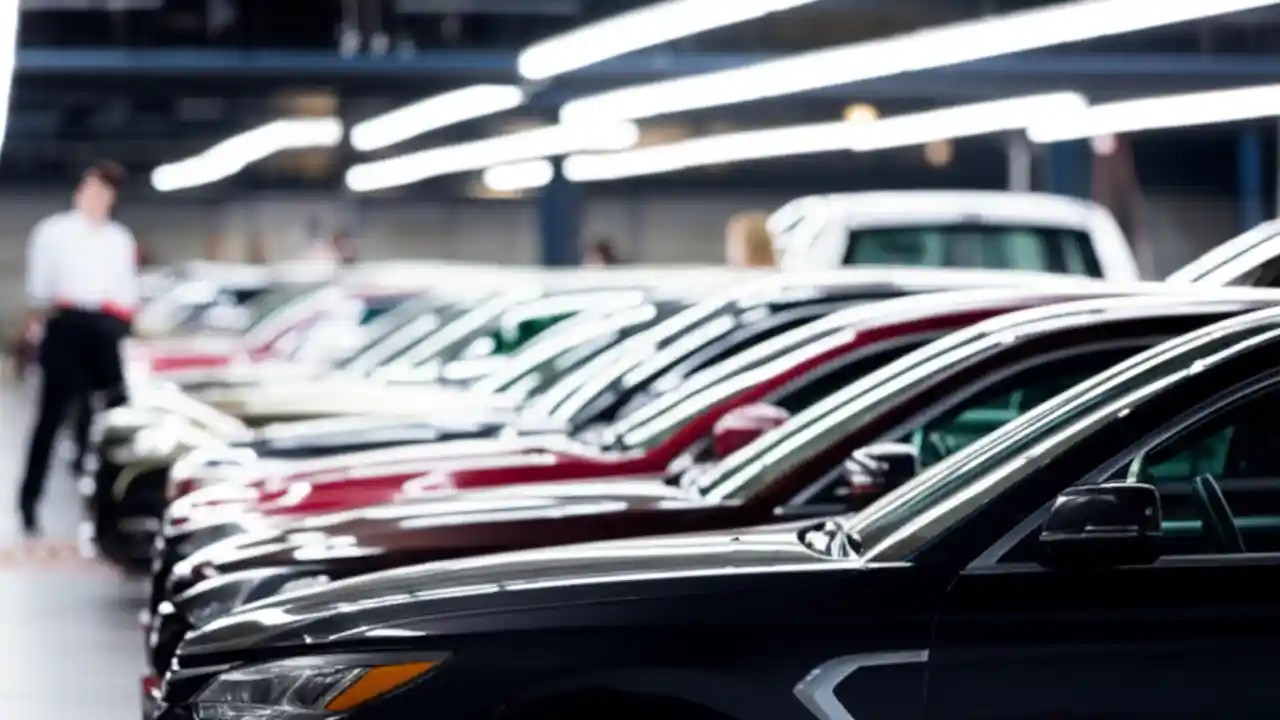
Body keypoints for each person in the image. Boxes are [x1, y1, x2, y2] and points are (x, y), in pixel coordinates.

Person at [19, 161, 137, 536]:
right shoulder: (53, 233)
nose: (96, 197)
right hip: (66, 324)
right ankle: (28, 501)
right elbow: (39, 287)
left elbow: (126, 290)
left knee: (116, 414)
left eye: (104, 192)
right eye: (91, 189)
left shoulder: (120, 239)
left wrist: (118, 324)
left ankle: (118, 503)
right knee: (51, 416)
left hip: (105, 327)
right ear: (80, 190)